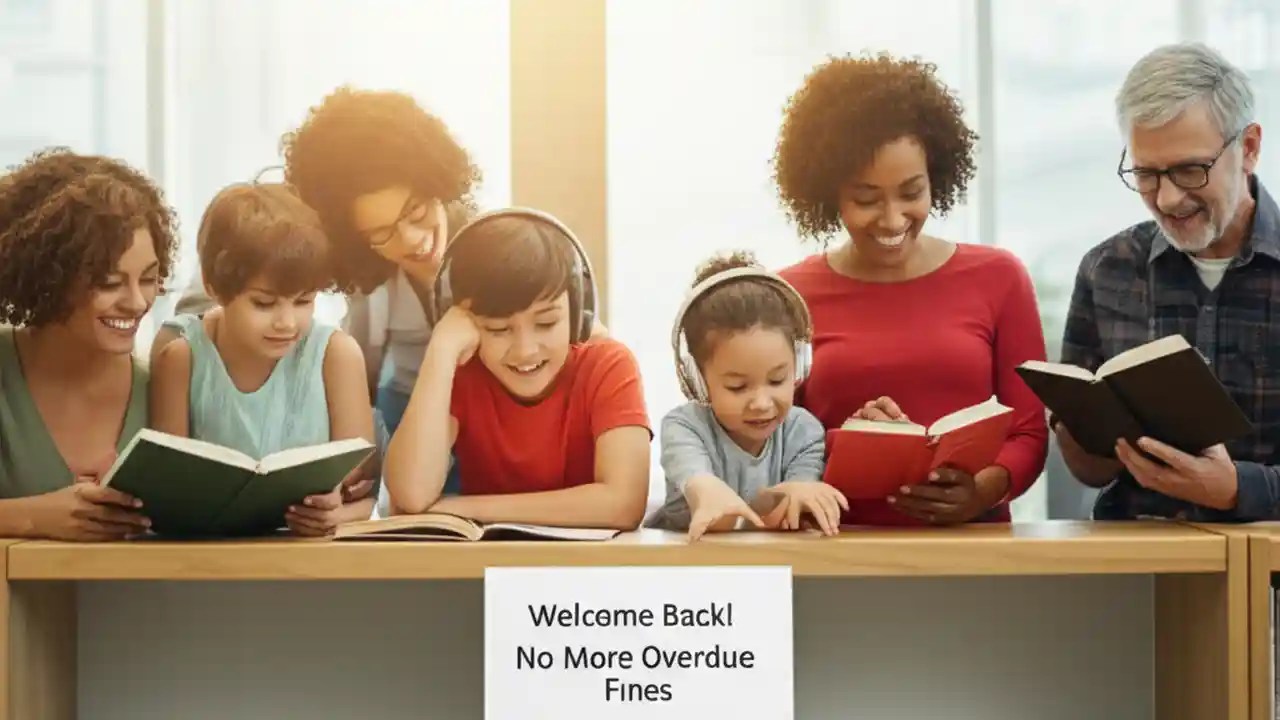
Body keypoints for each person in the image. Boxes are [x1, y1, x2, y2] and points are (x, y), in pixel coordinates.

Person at [773, 53, 1049, 526]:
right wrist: (855, 443)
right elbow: (764, 438)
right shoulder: (788, 295)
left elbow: (1027, 431)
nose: (893, 219)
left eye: (911, 192)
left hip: (976, 553)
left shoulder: (1000, 277)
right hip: (834, 549)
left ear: (936, 178)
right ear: (829, 191)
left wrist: (980, 491)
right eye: (866, 199)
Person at [1059, 42, 1280, 521]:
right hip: (1136, 570)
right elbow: (1090, 471)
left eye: (1189, 169)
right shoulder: (1107, 269)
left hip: (1265, 567)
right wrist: (1076, 421)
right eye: (1146, 173)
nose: (1167, 198)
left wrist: (1238, 488)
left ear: (1249, 148)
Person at [383, 208, 650, 529]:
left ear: (580, 311)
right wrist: (441, 348)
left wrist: (462, 507)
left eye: (547, 323)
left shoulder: (609, 365)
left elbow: (623, 504)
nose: (525, 351)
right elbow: (411, 495)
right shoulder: (464, 373)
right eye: (498, 329)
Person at [149, 182, 376, 536]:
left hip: (312, 559)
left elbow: (364, 495)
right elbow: (167, 492)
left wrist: (335, 515)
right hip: (210, 560)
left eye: (303, 301)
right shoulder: (181, 357)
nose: (287, 322)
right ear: (213, 287)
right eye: (264, 303)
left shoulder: (337, 356)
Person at [0, 148, 177, 540]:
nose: (136, 302)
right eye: (109, 283)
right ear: (49, 277)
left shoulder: (169, 386)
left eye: (148, 278)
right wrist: (31, 517)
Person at [646, 251, 848, 541]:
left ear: (799, 364)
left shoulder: (803, 431)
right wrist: (713, 491)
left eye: (778, 380)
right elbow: (710, 500)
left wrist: (793, 496)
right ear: (699, 380)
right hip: (687, 568)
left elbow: (789, 510)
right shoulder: (684, 427)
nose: (762, 403)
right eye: (737, 387)